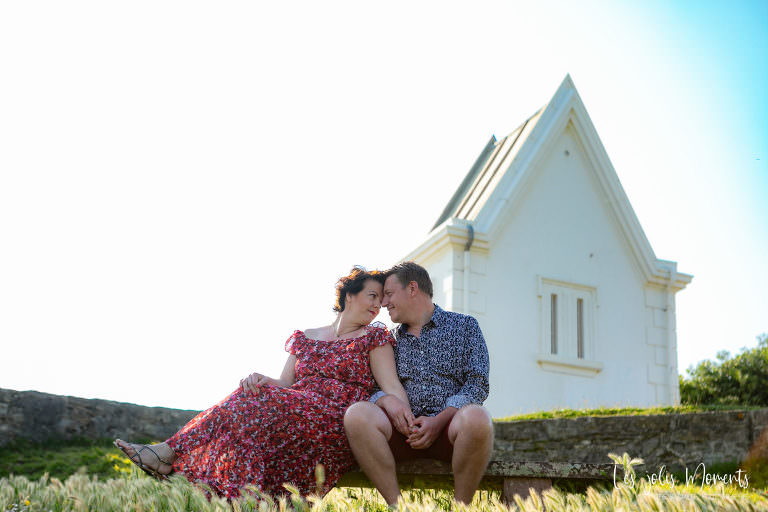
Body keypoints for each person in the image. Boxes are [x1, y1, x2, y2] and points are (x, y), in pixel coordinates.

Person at [114, 266, 411, 501]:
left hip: (335, 420)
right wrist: (261, 379)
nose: (378, 306)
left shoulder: (374, 337)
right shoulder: (306, 336)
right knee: (249, 396)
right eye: (373, 296)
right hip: (292, 409)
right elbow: (284, 383)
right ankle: (237, 498)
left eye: (381, 300)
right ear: (349, 296)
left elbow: (391, 386)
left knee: (253, 405)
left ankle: (169, 453)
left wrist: (407, 418)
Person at [344, 261, 493, 505]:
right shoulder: (385, 340)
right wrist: (385, 400)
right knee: (357, 414)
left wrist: (438, 421)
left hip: (451, 433)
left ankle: (461, 508)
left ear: (412, 288)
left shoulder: (466, 326)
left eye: (389, 294)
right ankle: (397, 507)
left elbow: (477, 385)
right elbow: (368, 387)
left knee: (478, 418)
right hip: (401, 435)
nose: (383, 303)